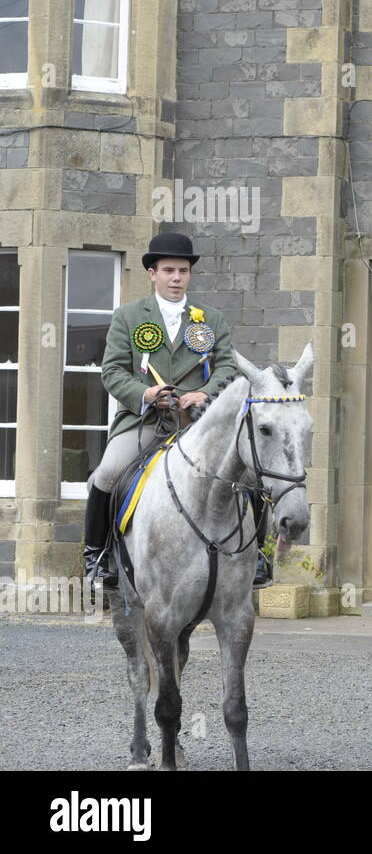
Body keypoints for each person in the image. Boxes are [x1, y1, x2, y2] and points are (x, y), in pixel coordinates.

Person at [82, 233, 270, 590]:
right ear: (152, 273)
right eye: (168, 270)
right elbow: (112, 371)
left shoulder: (210, 318)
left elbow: (227, 368)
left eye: (183, 271)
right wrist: (146, 392)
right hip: (146, 421)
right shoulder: (128, 316)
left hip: (199, 424)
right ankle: (97, 556)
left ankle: (258, 554)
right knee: (106, 474)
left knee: (250, 475)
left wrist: (204, 393)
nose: (176, 277)